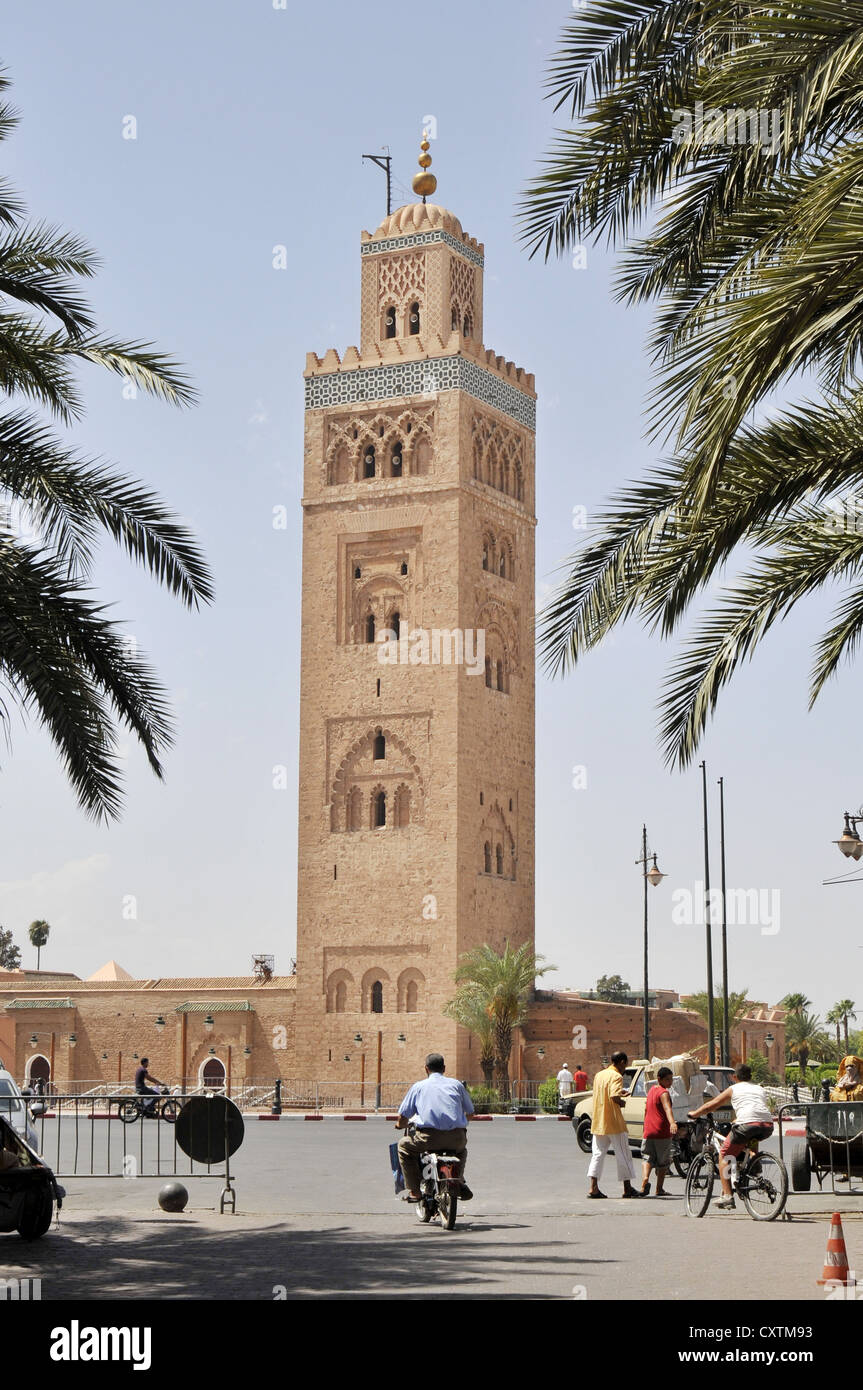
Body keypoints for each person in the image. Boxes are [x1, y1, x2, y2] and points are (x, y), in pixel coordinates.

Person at [688, 1062, 773, 1211]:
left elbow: (711, 1105)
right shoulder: (759, 1088)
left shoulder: (733, 1088)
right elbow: (754, 1108)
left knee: (724, 1155)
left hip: (746, 1124)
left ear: (734, 1077)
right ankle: (754, 1161)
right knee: (751, 1137)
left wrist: (694, 1114)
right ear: (750, 1076)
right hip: (767, 1126)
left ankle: (727, 1196)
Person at [395, 1052, 474, 1203]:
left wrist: (399, 1125)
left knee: (403, 1147)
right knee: (461, 1151)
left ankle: (415, 1191)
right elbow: (471, 1113)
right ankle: (458, 1181)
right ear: (444, 1068)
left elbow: (403, 1117)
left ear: (426, 1069)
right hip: (456, 1138)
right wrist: (461, 1121)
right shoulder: (456, 1085)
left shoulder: (419, 1087)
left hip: (428, 1138)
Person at [588, 1051, 642, 1199]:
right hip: (613, 1121)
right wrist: (621, 1102)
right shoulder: (617, 1076)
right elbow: (613, 1096)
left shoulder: (600, 1075)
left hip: (599, 1121)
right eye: (626, 1064)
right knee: (623, 1154)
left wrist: (620, 1093)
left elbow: (607, 1093)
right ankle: (627, 1188)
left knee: (597, 1154)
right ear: (622, 1062)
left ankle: (593, 1187)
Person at [640, 1065, 677, 1196]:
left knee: (647, 1158)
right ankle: (659, 1189)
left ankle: (645, 1179)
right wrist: (672, 1123)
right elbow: (667, 1108)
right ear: (659, 1079)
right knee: (663, 1162)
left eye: (671, 1079)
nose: (670, 1082)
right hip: (662, 1132)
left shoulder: (651, 1090)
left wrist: (645, 1126)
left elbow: (646, 1110)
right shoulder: (664, 1093)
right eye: (667, 1080)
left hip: (648, 1130)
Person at [669, 1054, 717, 1123]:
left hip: (676, 1119)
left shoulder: (668, 1084)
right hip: (696, 1119)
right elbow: (714, 1092)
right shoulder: (698, 1080)